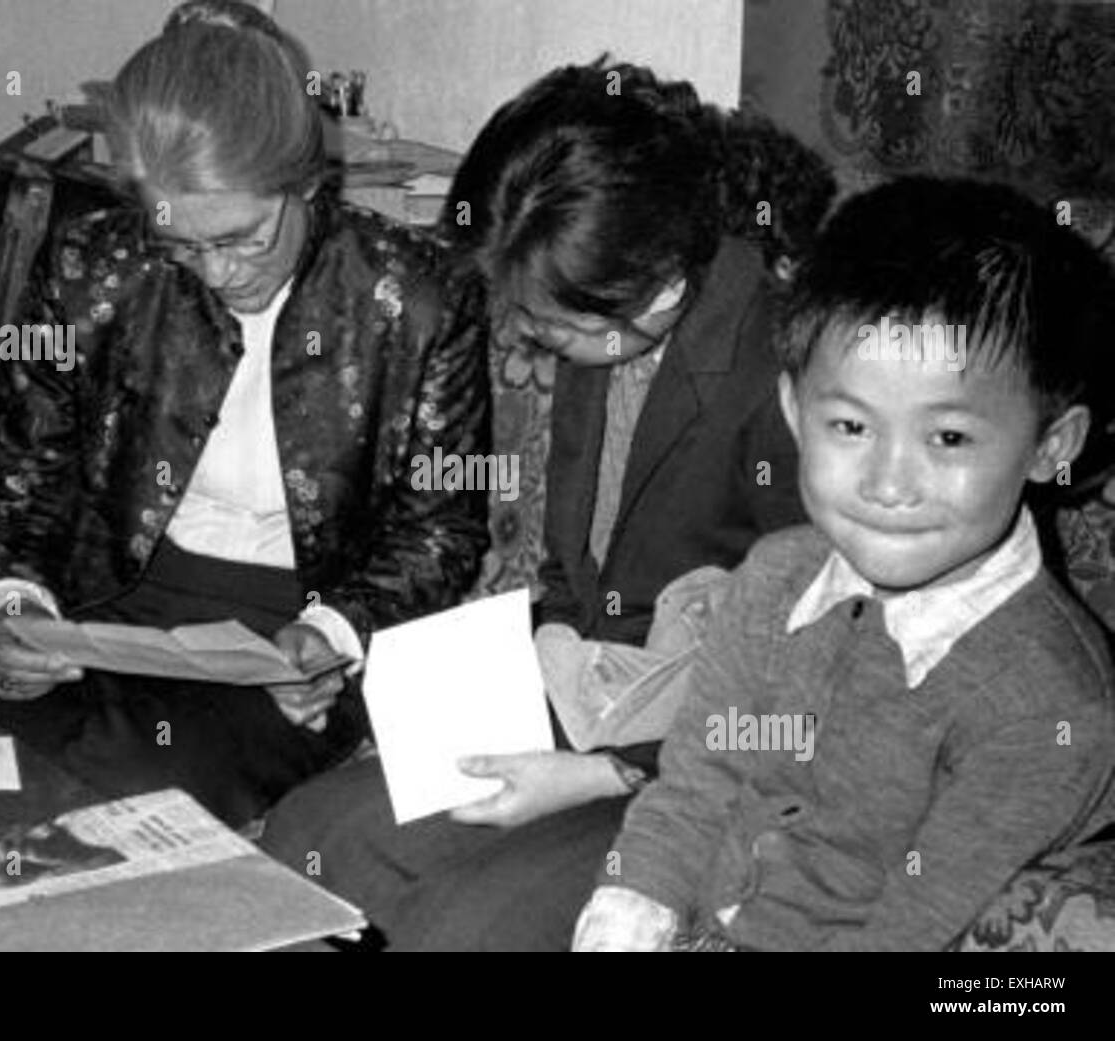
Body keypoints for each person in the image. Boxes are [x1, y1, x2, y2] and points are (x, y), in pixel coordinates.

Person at [259, 60, 836, 949]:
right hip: (592, 702)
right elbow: (575, 581)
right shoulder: (602, 336)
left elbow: (818, 683)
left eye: (551, 326)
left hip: (705, 768)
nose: (527, 340)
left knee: (464, 927)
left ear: (666, 288)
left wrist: (604, 773)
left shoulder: (791, 380)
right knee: (308, 838)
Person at [0, 1, 491, 827]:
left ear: (308, 183)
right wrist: (7, 604)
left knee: (132, 785)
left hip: (287, 644)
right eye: (183, 246)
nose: (220, 272)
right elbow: (12, 482)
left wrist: (338, 632)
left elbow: (440, 529)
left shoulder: (415, 297)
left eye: (243, 236)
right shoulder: (95, 267)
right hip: (100, 612)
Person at [573, 176, 1115, 952]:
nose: (889, 484)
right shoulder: (773, 577)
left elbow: (909, 932)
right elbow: (697, 784)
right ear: (795, 410)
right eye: (851, 425)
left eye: (949, 438)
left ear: (1050, 446)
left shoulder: (1051, 709)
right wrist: (626, 913)